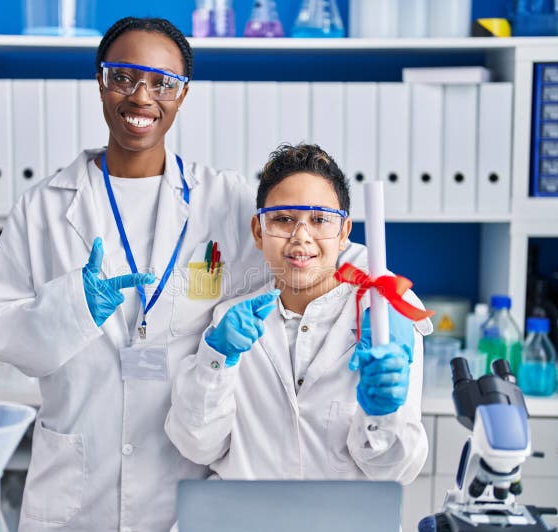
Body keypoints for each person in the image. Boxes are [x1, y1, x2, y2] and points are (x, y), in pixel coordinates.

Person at [0, 18, 365, 532]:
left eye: (162, 83)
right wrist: (71, 307)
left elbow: (314, 248)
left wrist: (386, 308)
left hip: (182, 478)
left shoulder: (223, 199)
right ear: (100, 81)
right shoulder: (42, 208)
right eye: (123, 77)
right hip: (76, 485)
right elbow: (1, 330)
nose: (141, 97)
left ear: (182, 94)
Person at [166, 143, 431, 484]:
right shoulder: (231, 322)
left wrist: (382, 414)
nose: (301, 237)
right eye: (283, 219)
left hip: (344, 513)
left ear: (343, 233)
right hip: (245, 512)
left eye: (319, 220)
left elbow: (397, 471)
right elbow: (197, 446)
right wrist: (215, 359)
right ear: (258, 232)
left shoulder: (380, 321)